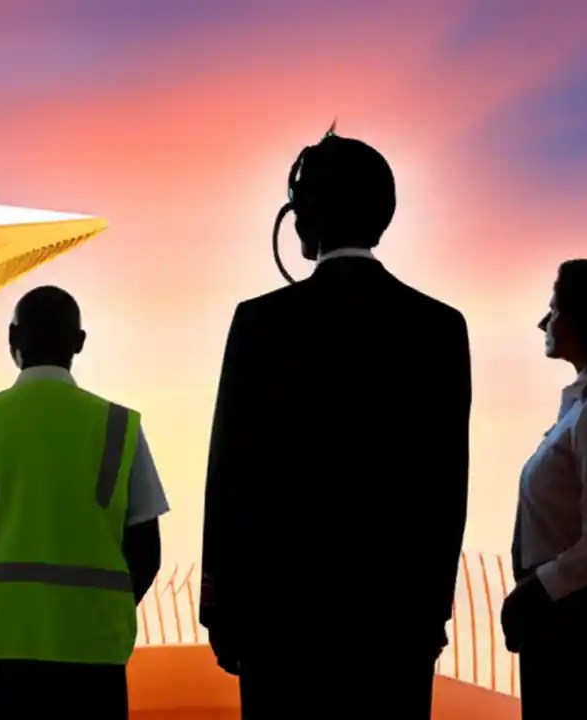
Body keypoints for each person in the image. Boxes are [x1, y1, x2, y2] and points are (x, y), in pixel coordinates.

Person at [199, 131, 472, 718]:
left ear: (302, 218)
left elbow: (231, 477)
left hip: (280, 623)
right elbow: (447, 485)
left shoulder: (259, 323)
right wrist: (431, 611)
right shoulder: (439, 328)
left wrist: (220, 608)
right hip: (396, 623)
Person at [0, 286, 168, 719]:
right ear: (79, 342)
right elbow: (146, 551)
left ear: (12, 337)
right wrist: (100, 611)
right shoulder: (119, 426)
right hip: (94, 655)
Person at [501, 259, 587, 719]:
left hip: (575, 624)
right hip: (559, 618)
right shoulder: (583, 407)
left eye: (555, 309)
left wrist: (537, 590)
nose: (545, 322)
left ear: (583, 319)